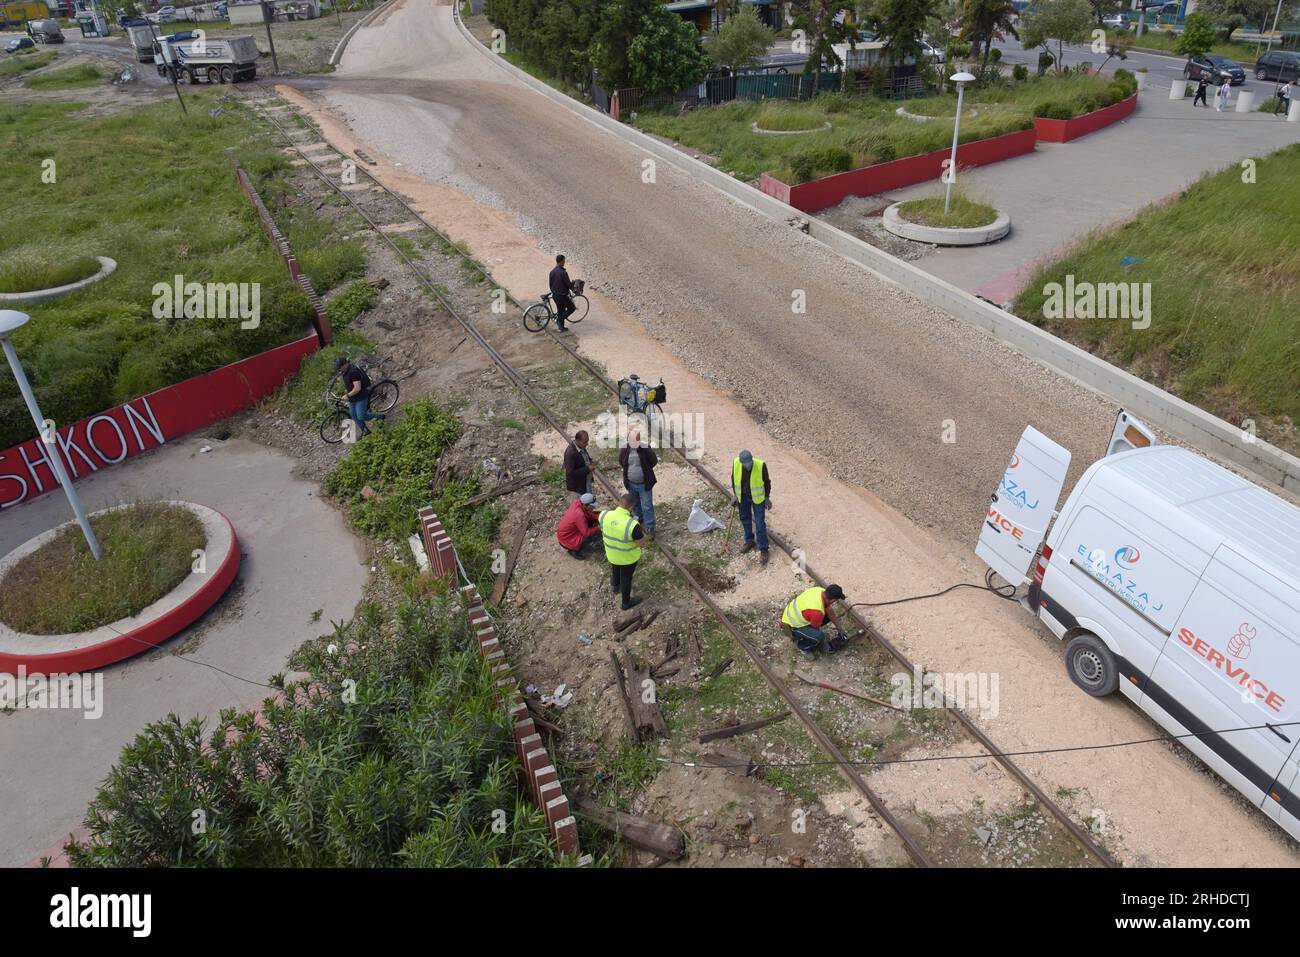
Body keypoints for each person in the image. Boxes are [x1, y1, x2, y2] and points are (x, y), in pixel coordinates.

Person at [780, 584, 848, 661]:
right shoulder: (817, 612)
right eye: (835, 601)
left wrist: (840, 628)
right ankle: (803, 647)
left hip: (792, 614)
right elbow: (815, 628)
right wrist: (825, 645)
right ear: (832, 600)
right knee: (818, 636)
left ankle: (808, 636)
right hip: (791, 626)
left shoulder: (819, 590)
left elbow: (829, 610)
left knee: (827, 616)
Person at [601, 491, 645, 610]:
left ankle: (615, 586)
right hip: (627, 558)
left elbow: (602, 525)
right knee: (626, 578)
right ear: (631, 507)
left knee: (615, 569)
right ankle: (626, 603)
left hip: (611, 553)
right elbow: (641, 543)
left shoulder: (604, 515)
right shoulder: (632, 524)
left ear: (619, 502)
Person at [732, 449, 771, 565]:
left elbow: (767, 482)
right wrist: (735, 494)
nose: (748, 466)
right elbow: (733, 478)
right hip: (743, 496)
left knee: (759, 523)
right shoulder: (736, 463)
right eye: (745, 464)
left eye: (749, 463)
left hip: (758, 498)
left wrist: (767, 498)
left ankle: (763, 548)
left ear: (752, 460)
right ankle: (749, 541)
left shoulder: (760, 465)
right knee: (745, 519)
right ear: (741, 462)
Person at [619, 428, 657, 541]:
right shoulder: (625, 449)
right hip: (631, 483)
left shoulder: (645, 448)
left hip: (644, 484)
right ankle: (639, 519)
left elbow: (653, 461)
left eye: (638, 440)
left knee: (647, 506)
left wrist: (644, 470)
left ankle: (650, 528)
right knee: (635, 504)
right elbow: (621, 462)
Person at [336, 356, 384, 437]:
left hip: (361, 397)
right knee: (354, 415)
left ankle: (381, 417)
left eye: (340, 368)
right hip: (353, 398)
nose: (339, 370)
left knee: (362, 416)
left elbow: (357, 388)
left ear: (345, 364)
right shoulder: (345, 372)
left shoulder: (353, 372)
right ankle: (365, 431)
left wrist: (347, 395)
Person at [557, 492, 601, 559]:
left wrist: (597, 517)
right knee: (593, 536)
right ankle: (573, 550)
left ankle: (574, 547)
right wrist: (598, 528)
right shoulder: (579, 515)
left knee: (590, 523)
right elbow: (587, 533)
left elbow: (588, 513)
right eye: (592, 506)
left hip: (566, 534)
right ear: (586, 505)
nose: (594, 507)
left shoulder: (578, 503)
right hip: (567, 540)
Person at [548, 254, 577, 333]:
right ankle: (559, 319)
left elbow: (550, 284)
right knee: (571, 308)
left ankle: (561, 327)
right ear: (561, 261)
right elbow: (568, 284)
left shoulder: (552, 272)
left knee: (560, 310)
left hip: (555, 295)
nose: (564, 262)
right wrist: (574, 290)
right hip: (562, 296)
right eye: (564, 261)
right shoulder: (563, 273)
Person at [564, 430, 596, 495]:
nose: (587, 444)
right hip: (579, 487)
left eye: (587, 441)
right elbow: (570, 472)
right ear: (578, 440)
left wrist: (590, 461)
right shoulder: (571, 453)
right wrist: (588, 469)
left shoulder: (581, 446)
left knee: (588, 501)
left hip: (585, 481)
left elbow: (583, 457)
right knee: (583, 504)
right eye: (585, 442)